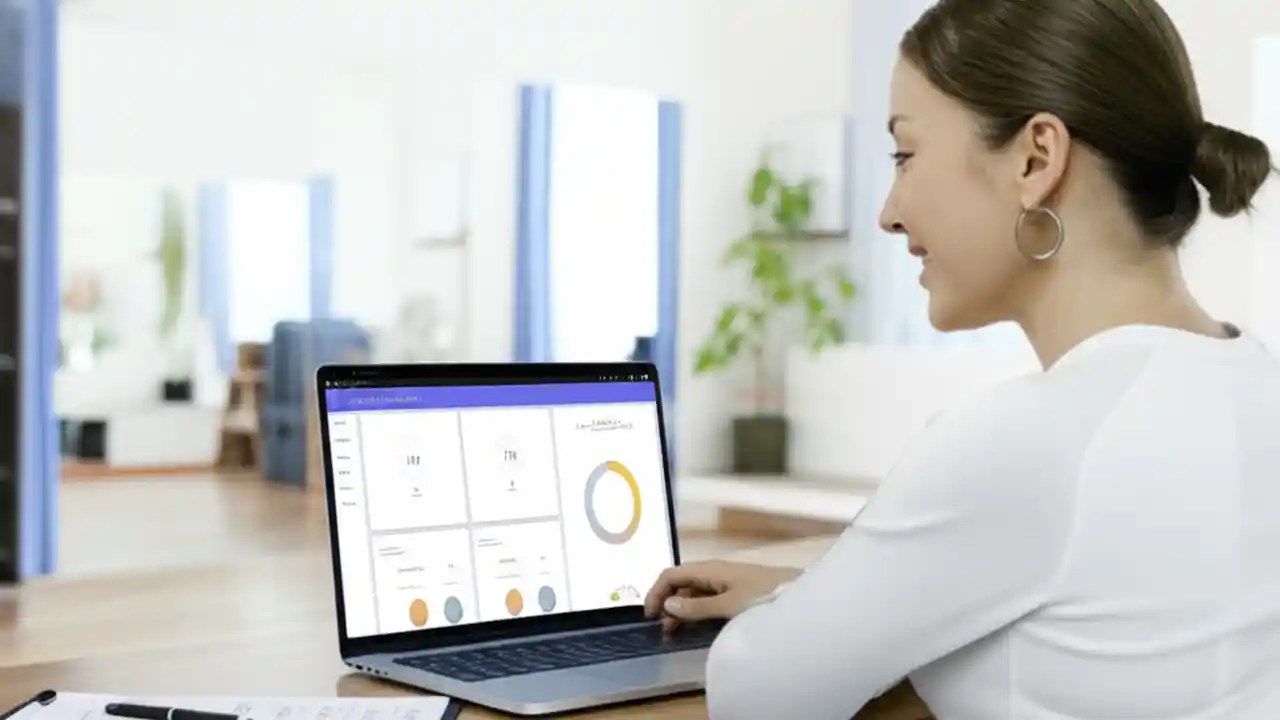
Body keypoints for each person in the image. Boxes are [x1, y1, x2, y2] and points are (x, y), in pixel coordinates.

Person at [644, 0, 1280, 718]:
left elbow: (760, 690)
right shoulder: (1255, 380)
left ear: (1036, 160)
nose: (887, 211)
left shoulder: (1022, 440)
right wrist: (825, 590)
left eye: (906, 155)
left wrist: (815, 611)